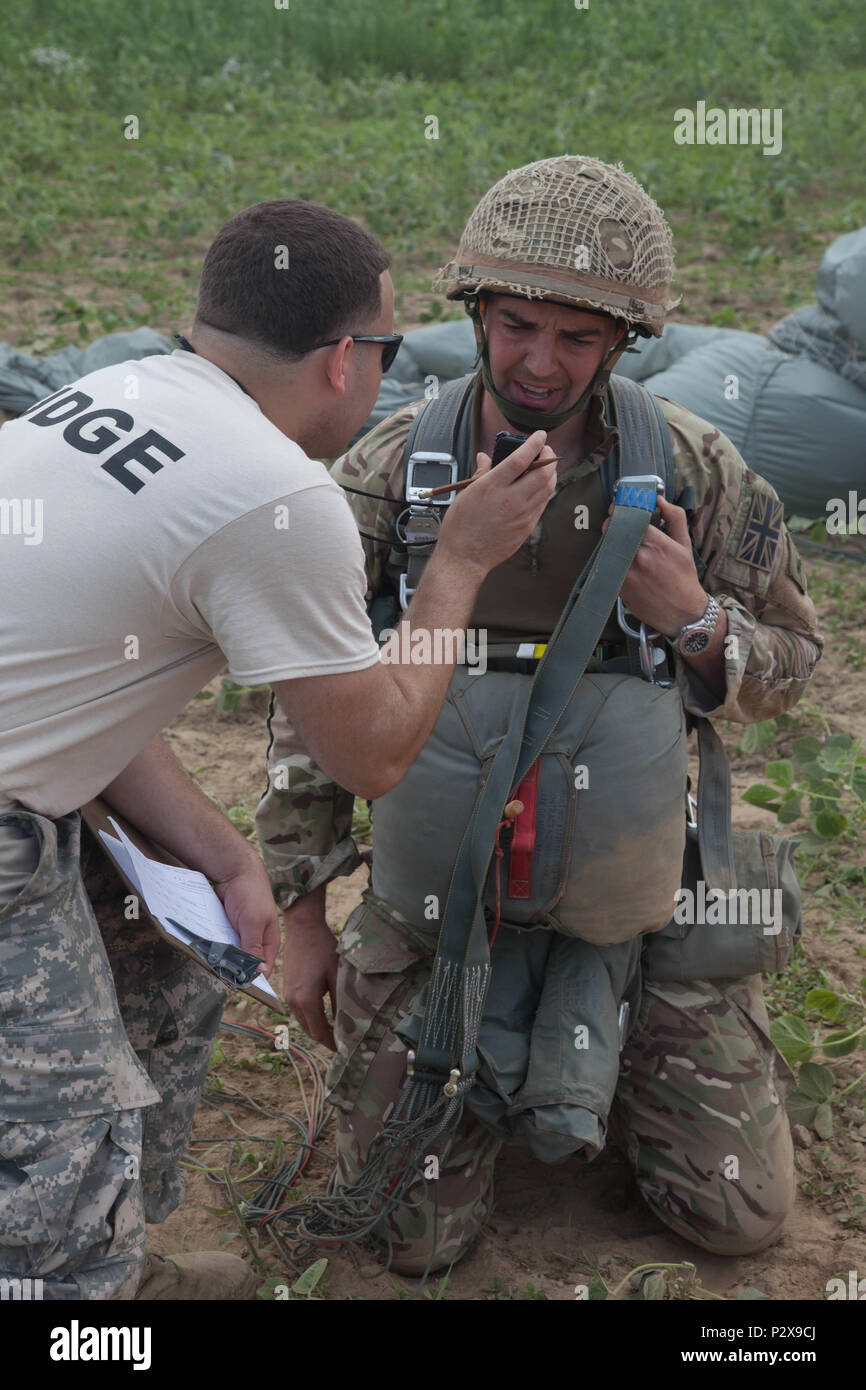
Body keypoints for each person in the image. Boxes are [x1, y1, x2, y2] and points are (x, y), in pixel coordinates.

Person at [256, 157, 824, 1275]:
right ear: (474, 313)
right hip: (436, 901)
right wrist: (304, 909)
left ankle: (606, 1033)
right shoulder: (392, 471)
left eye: (577, 337)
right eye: (516, 325)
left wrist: (696, 623)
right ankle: (491, 1047)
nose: (539, 362)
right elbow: (307, 697)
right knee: (409, 1238)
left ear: (621, 343)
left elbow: (795, 666)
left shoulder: (689, 470)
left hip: (637, 899)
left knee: (736, 1216)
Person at [0, 199, 557, 1300]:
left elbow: (66, 698)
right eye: (385, 351)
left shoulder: (115, 391)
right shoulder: (276, 495)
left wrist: (221, 852)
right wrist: (459, 564)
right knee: (56, 1145)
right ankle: (71, 1293)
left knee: (166, 959)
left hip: (25, 783)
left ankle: (120, 1262)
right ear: (345, 360)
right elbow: (374, 753)